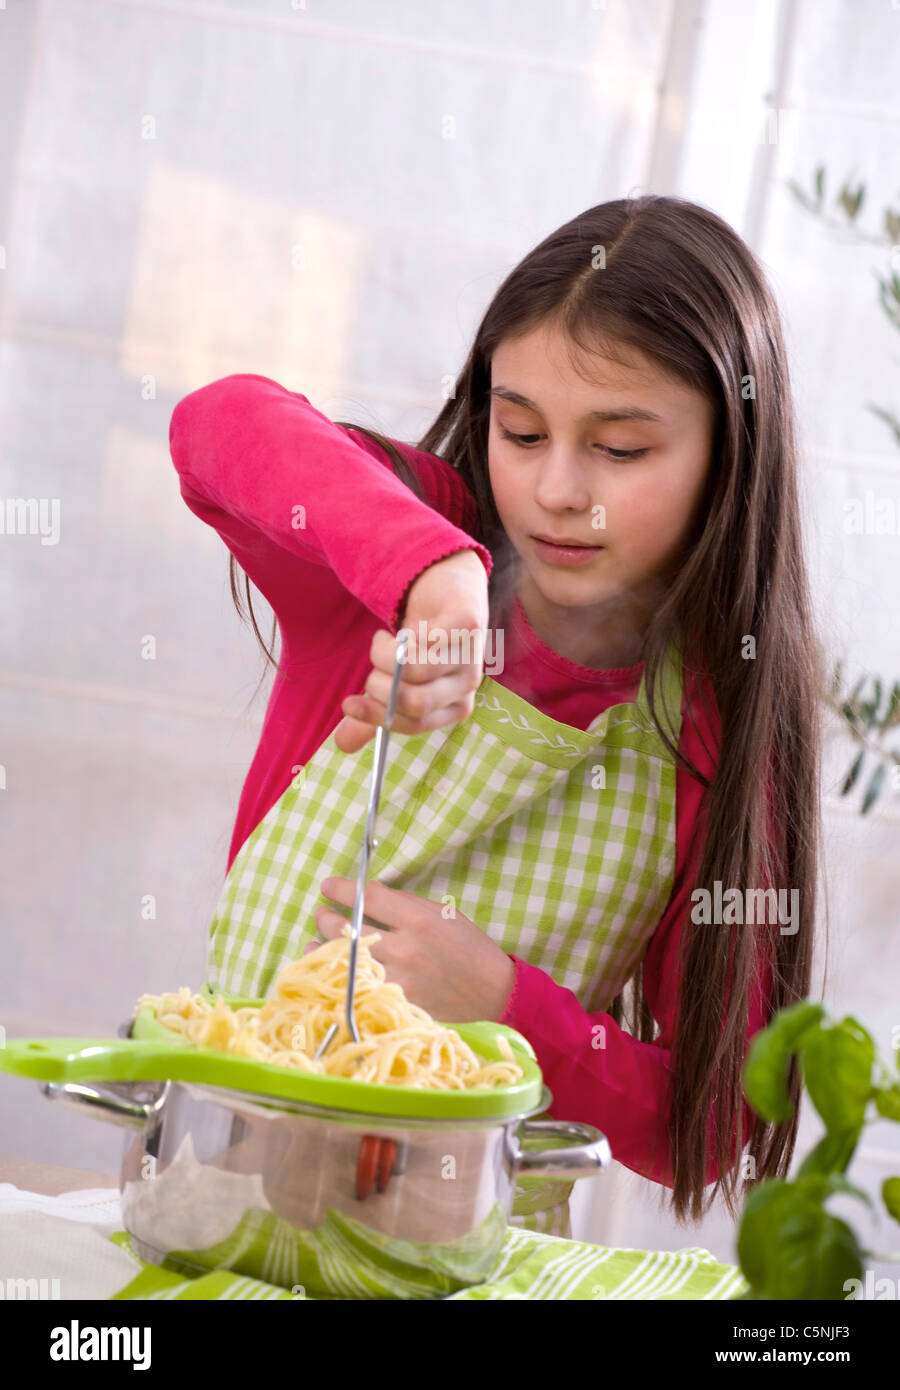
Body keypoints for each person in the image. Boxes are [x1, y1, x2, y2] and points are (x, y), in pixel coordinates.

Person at [168, 194, 824, 1237]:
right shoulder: (390, 558)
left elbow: (714, 1122)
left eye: (620, 450)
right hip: (214, 1213)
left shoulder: (715, 729)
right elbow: (215, 423)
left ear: (729, 458)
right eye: (521, 429)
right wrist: (432, 570)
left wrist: (509, 1009)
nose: (556, 489)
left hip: (470, 1258)